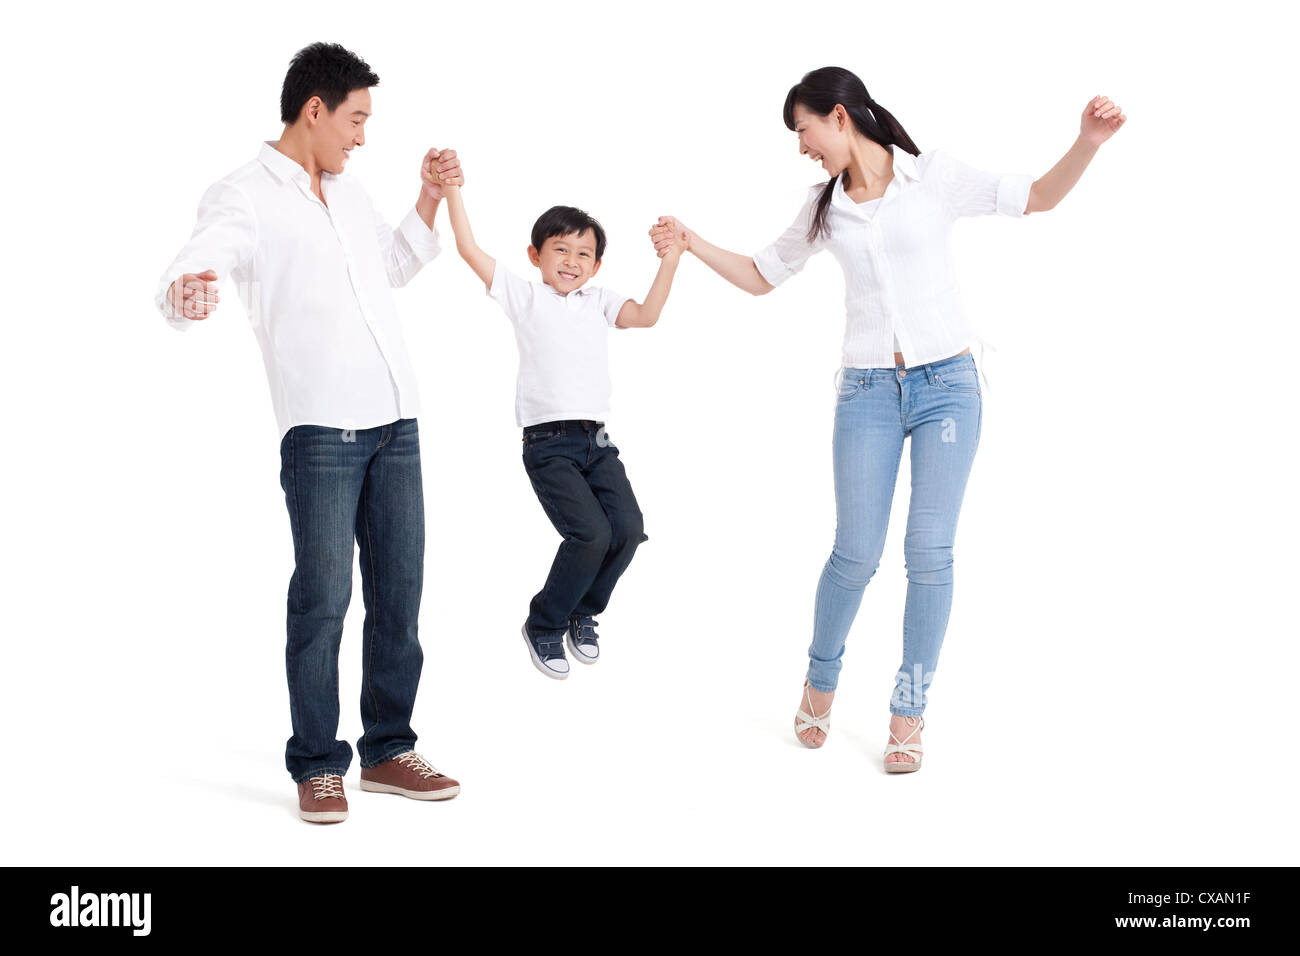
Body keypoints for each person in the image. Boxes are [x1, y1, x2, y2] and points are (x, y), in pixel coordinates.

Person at [651, 66, 1125, 772]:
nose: (802, 147)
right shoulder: (823, 209)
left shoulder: (934, 176)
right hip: (867, 392)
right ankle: (821, 678)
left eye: (804, 130)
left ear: (839, 117)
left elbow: (1038, 197)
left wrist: (1087, 141)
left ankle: (909, 713)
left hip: (948, 389)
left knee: (929, 554)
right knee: (856, 553)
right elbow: (759, 275)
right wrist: (690, 243)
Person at [153, 41, 466, 822]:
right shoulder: (243, 193)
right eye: (355, 118)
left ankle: (389, 751)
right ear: (314, 109)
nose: (363, 136)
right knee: (324, 599)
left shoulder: (351, 194)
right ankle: (318, 764)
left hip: (397, 418)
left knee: (400, 594)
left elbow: (390, 265)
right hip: (322, 430)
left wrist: (427, 199)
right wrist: (186, 292)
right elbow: (203, 261)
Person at [437, 173, 680, 678]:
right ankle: (544, 623)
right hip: (548, 444)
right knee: (589, 534)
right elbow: (467, 247)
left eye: (583, 254)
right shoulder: (524, 296)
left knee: (629, 531)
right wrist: (452, 189)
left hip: (597, 443)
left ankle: (583, 612)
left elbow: (648, 315)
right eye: (560, 250)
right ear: (535, 255)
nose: (571, 262)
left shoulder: (601, 301)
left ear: (596, 264)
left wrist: (671, 259)